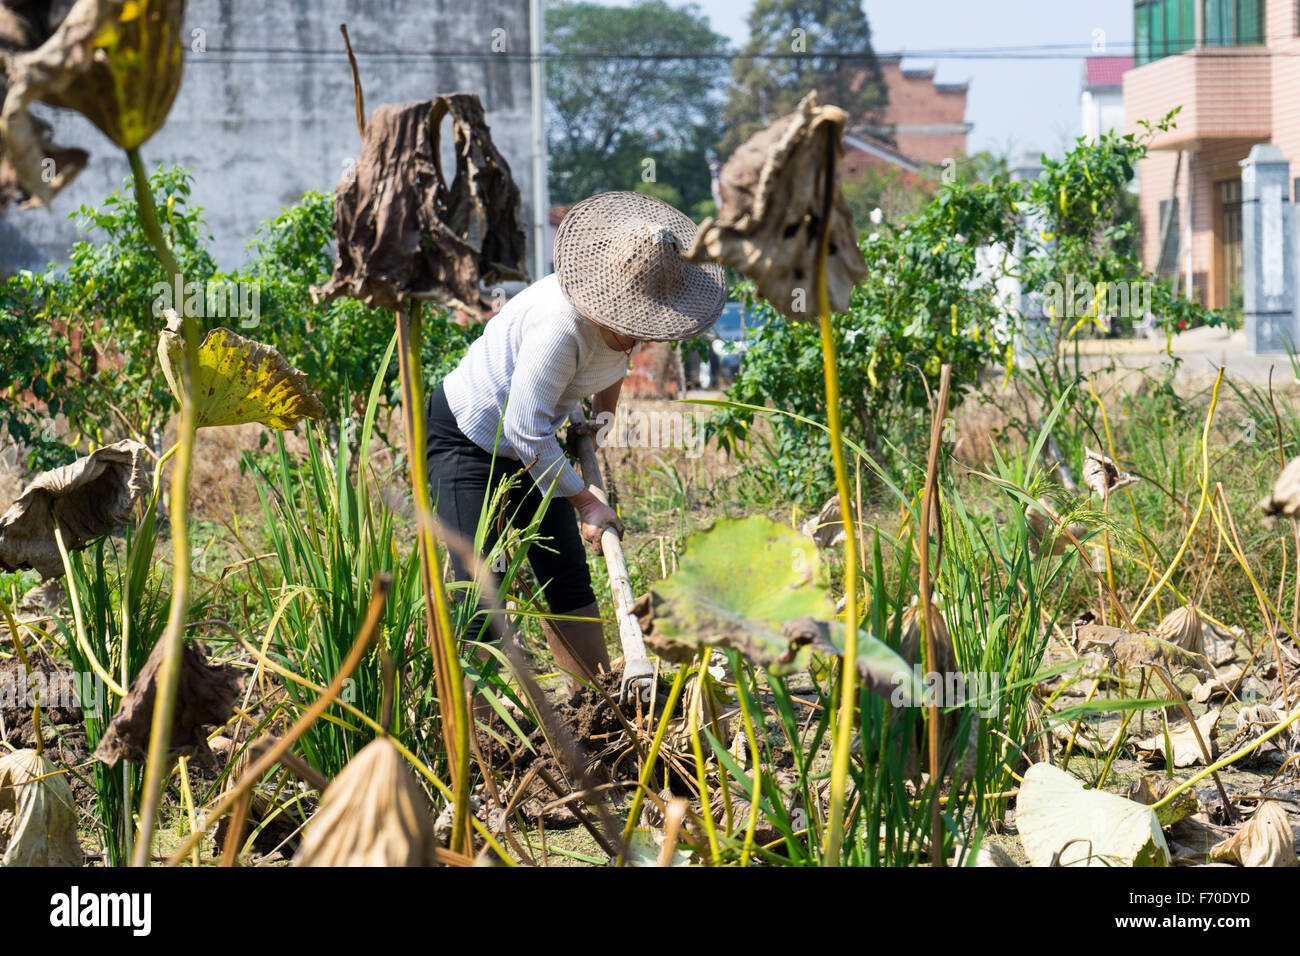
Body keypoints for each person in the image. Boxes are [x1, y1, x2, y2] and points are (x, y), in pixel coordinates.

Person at [425, 190, 725, 694]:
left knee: (565, 575)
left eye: (645, 326)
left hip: (534, 441)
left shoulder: (624, 323)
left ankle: (597, 710)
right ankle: (475, 746)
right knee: (482, 592)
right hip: (470, 438)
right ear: (604, 300)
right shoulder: (561, 325)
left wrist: (599, 422)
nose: (638, 337)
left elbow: (611, 365)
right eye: (630, 325)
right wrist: (585, 501)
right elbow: (523, 428)